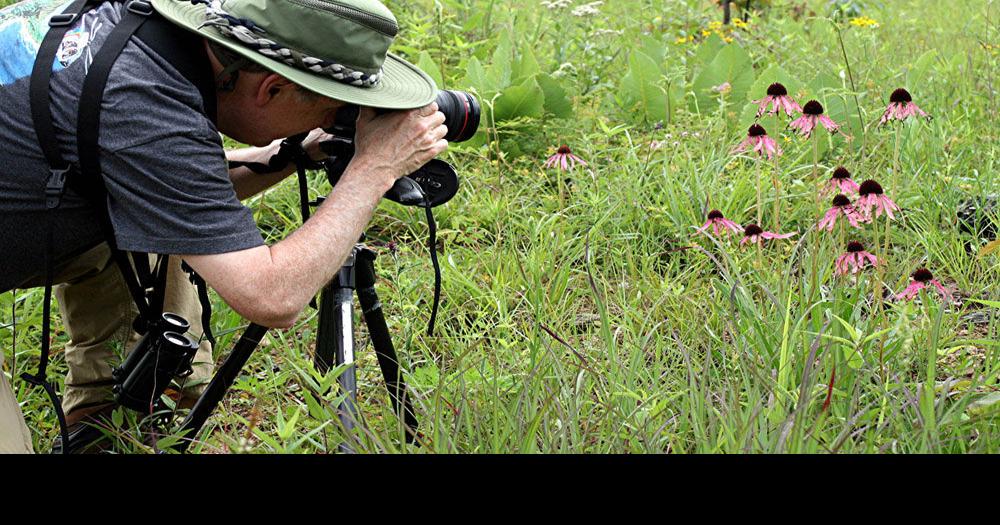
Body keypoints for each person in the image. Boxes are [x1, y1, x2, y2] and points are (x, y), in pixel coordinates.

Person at [0, 0, 449, 453]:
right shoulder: (143, 102)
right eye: (332, 112)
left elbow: (179, 182)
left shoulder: (149, 40)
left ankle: (107, 430)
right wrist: (374, 168)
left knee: (168, 226)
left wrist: (296, 151)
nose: (332, 122)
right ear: (271, 88)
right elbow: (271, 296)